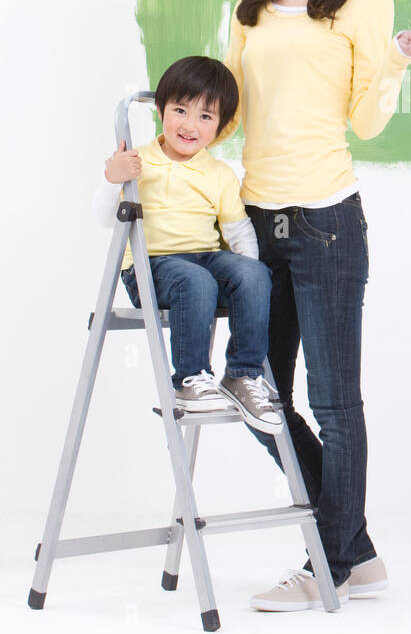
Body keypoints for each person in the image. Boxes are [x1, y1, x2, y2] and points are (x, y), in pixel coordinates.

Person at [220, 0, 411, 612]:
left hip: (325, 224)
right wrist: (169, 135)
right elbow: (233, 113)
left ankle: (330, 562)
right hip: (254, 224)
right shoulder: (252, 1)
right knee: (255, 391)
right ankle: (352, 547)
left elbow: (366, 120)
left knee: (335, 403)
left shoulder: (364, 1)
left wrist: (398, 65)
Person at [91, 56, 281, 435]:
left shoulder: (219, 174)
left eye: (205, 117)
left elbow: (239, 231)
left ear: (221, 127)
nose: (190, 125)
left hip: (205, 259)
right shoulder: (138, 161)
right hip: (151, 268)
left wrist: (247, 282)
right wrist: (113, 179)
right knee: (195, 281)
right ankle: (191, 379)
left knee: (255, 272)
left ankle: (243, 375)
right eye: (180, 110)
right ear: (161, 110)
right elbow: (102, 218)